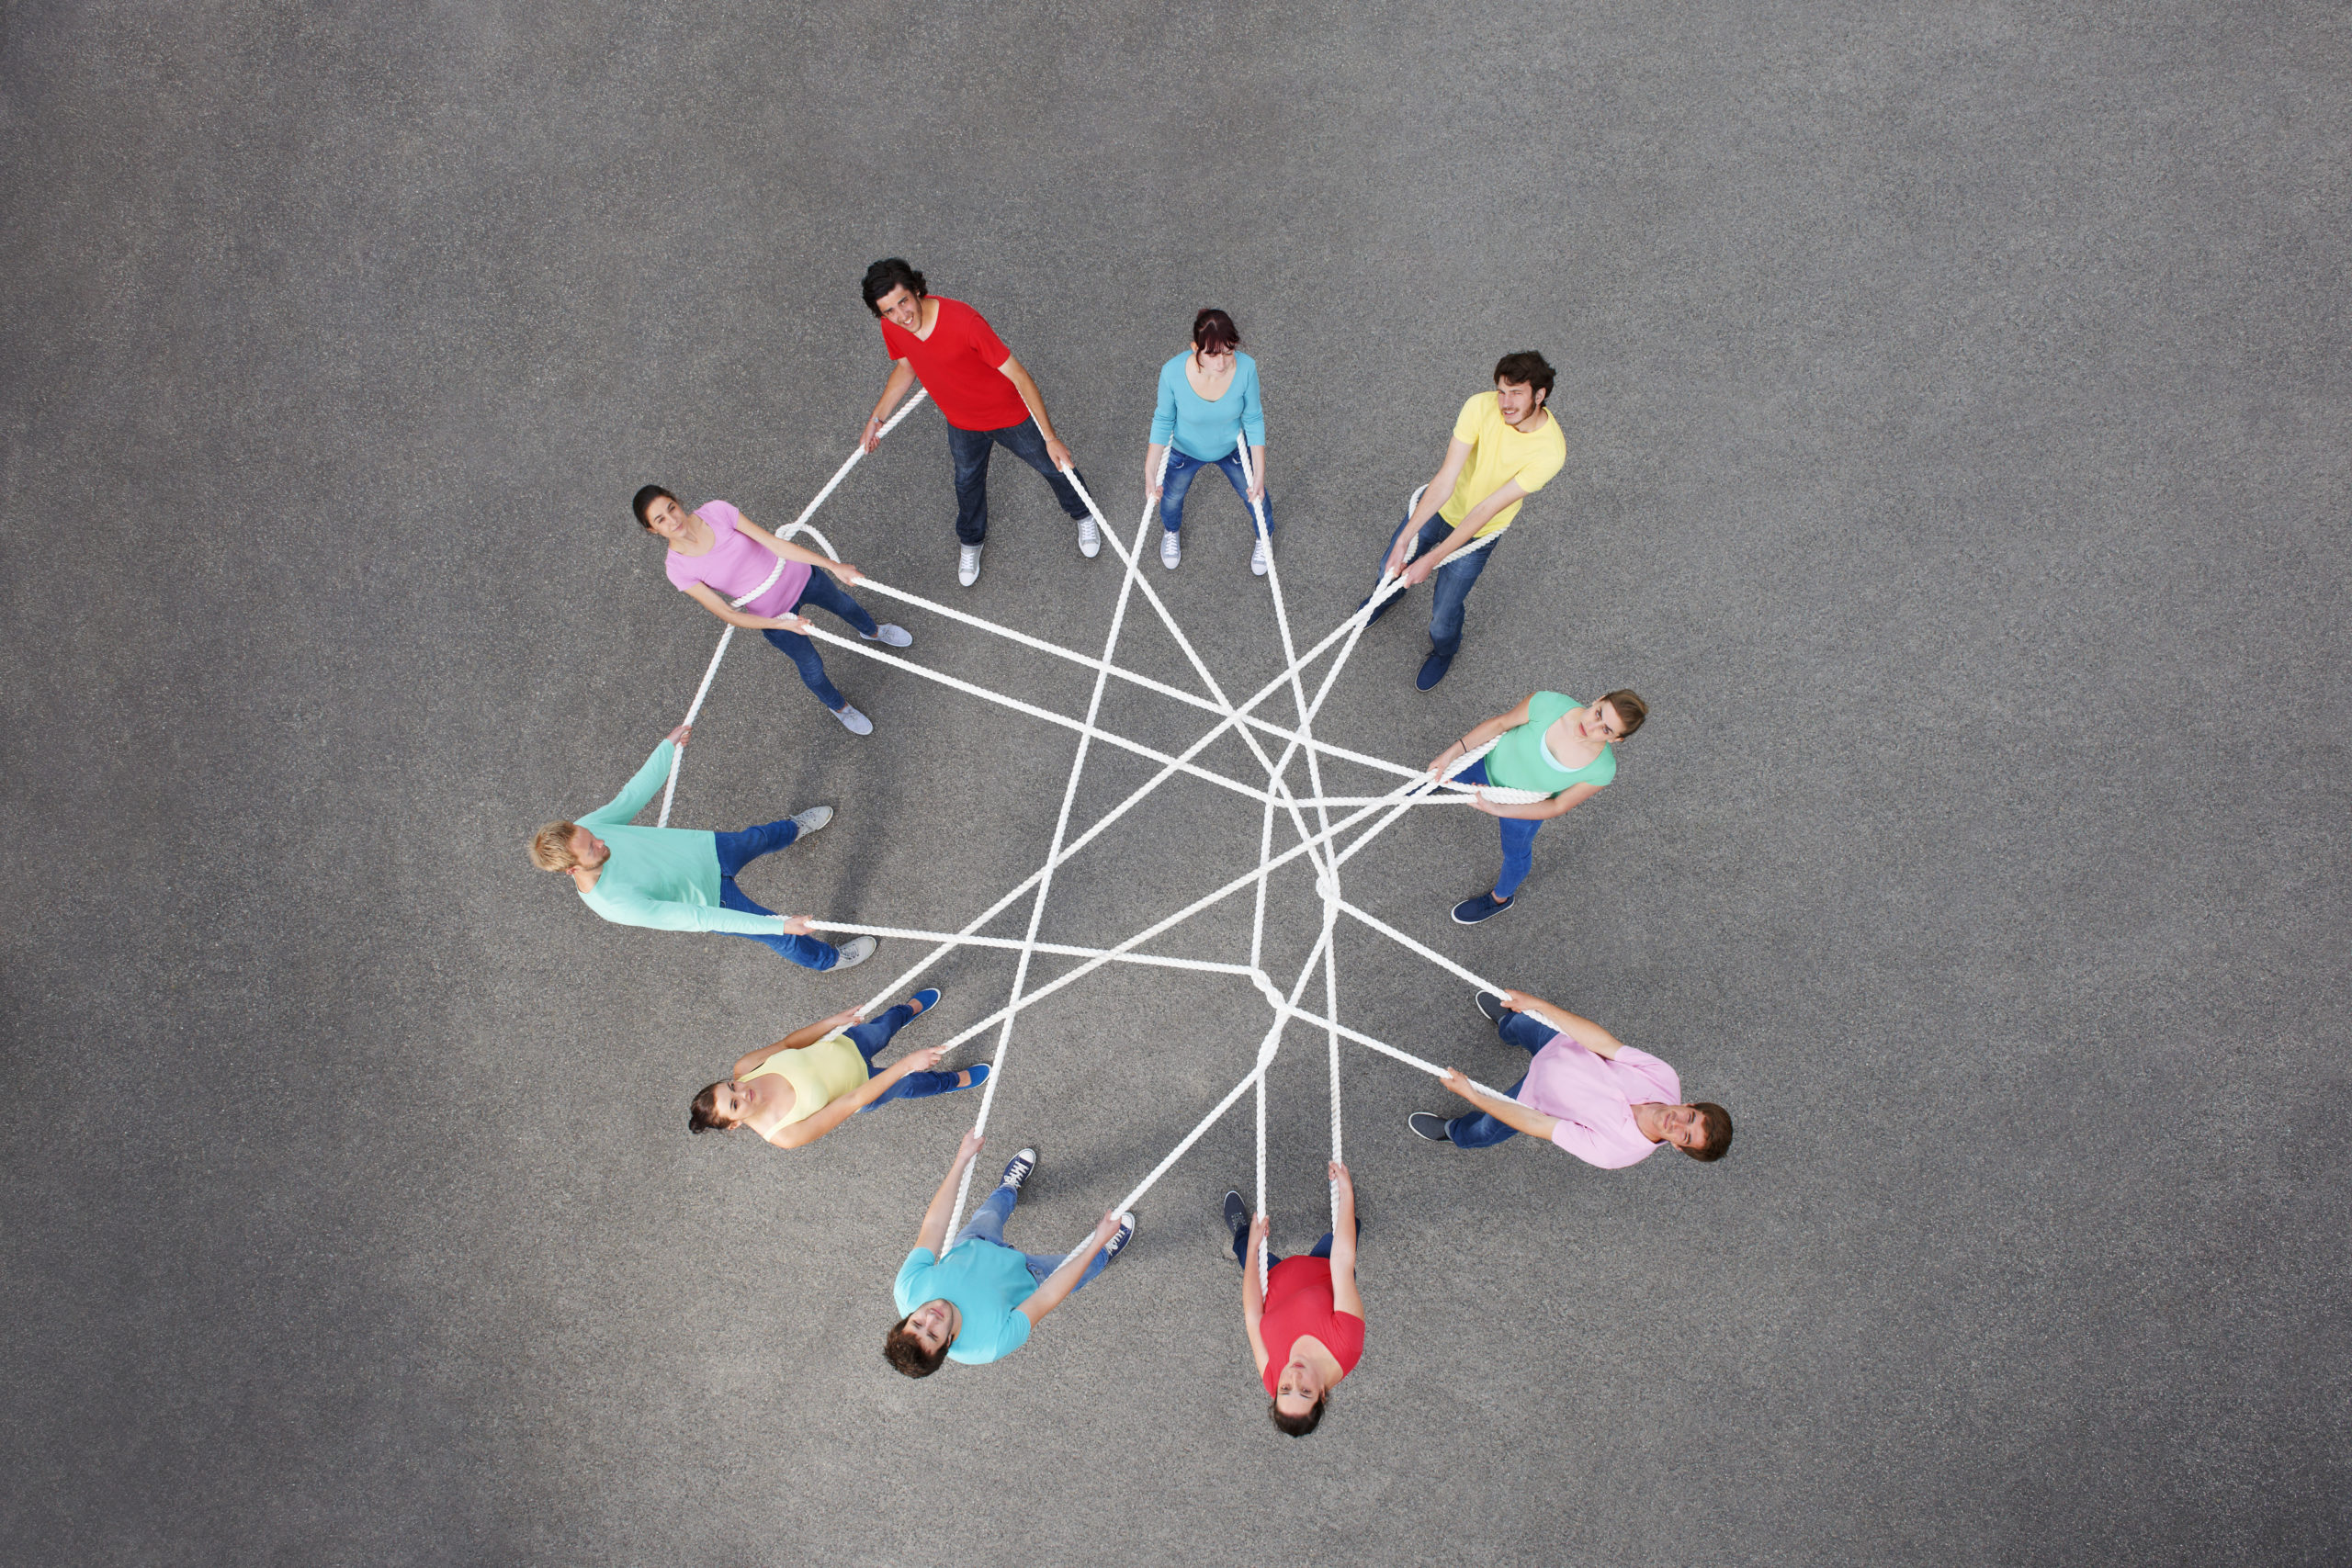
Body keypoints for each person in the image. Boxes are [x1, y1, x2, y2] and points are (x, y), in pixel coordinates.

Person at [526, 725, 876, 972]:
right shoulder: (616, 905)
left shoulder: (589, 830)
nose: (601, 841)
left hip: (705, 849)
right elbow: (700, 918)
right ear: (572, 869)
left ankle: (794, 828)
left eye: (592, 835)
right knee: (778, 934)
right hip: (711, 901)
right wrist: (780, 926)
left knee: (759, 837)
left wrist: (666, 749)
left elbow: (630, 798)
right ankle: (829, 961)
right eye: (591, 849)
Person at [858, 258, 1095, 589]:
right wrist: (876, 418)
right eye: (889, 312)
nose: (901, 316)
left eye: (904, 302)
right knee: (966, 484)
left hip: (1010, 416)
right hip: (962, 424)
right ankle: (971, 540)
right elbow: (905, 367)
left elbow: (1020, 377)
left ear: (916, 290)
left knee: (1054, 466)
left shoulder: (964, 322)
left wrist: (1051, 437)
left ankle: (1083, 514)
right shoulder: (893, 326)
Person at [1362, 351, 1568, 691]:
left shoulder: (1550, 452)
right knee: (1390, 562)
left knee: (1444, 613)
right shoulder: (1479, 406)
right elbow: (1446, 477)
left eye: (1517, 393)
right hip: (1441, 507)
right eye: (1502, 391)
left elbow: (1485, 510)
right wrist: (1405, 539)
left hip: (1479, 532)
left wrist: (1432, 559)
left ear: (1539, 395)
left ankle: (1444, 651)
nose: (1505, 402)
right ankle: (1385, 597)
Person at [635, 485, 912, 737]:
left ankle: (874, 632)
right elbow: (727, 614)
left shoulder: (717, 512)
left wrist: (833, 566)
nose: (672, 520)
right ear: (652, 530)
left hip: (804, 578)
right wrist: (783, 625)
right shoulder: (678, 569)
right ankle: (839, 708)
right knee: (812, 666)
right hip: (774, 617)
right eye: (660, 519)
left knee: (845, 604)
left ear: (677, 501)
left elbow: (775, 544)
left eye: (671, 508)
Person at [884, 1134, 1135, 1375]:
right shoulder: (990, 1344)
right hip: (1031, 1277)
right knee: (1084, 1267)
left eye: (916, 1323)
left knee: (991, 1210)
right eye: (933, 1334)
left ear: (907, 1318)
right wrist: (1097, 1242)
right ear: (947, 1343)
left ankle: (1009, 1188)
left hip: (975, 1243)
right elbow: (1047, 1297)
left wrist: (961, 1159)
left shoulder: (908, 1289)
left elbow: (934, 1226)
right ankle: (1104, 1253)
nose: (930, 1318)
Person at [1408, 988, 1733, 1163]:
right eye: (1690, 1117)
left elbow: (1539, 1125)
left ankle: (1454, 1132)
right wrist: (1539, 1005)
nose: (1677, 1124)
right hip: (1561, 1046)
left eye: (1685, 1136)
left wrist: (1474, 1095)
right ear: (1690, 1104)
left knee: (1486, 1127)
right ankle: (1507, 1025)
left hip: (1533, 1101)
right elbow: (1604, 1043)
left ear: (1677, 1147)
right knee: (1522, 1022)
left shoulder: (1617, 1151)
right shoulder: (1664, 1077)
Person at [1428, 689, 1647, 924]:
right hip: (1485, 767)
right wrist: (1449, 755)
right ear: (1598, 700)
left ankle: (1500, 899)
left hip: (1524, 808)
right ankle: (1429, 786)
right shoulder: (1547, 703)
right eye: (1598, 713)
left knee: (1515, 855)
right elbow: (1501, 723)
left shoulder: (1602, 770)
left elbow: (1558, 805)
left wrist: (1500, 809)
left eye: (1606, 729)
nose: (1592, 726)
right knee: (1437, 776)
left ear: (1616, 739)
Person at [685, 988, 985, 1148]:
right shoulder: (784, 1135)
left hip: (845, 1045)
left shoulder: (746, 1067)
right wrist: (906, 1064)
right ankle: (949, 1081)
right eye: (735, 1104)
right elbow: (851, 1101)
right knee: (907, 1084)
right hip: (860, 1087)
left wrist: (830, 1023)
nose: (742, 1090)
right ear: (735, 1124)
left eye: (731, 1086)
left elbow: (790, 1044)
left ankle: (907, 1010)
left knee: (884, 1026)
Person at [1222, 1162, 1362, 1438]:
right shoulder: (1347, 1345)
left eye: (1285, 1390)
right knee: (1346, 1230)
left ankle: (1240, 1234)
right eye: (1305, 1391)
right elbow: (1342, 1263)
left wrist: (1252, 1247)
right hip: (1324, 1266)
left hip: (1272, 1277)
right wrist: (1347, 1192)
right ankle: (1347, 1213)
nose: (1293, 1378)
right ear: (1321, 1395)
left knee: (1244, 1247)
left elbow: (1253, 1317)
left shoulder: (1273, 1379)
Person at [1144, 308, 1272, 575]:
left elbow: (1253, 419)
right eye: (1212, 354)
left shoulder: (1246, 368)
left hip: (1231, 448)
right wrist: (1149, 472)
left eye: (1228, 352)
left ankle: (1264, 535)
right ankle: (1171, 531)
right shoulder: (1172, 373)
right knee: (1170, 499)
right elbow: (1163, 420)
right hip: (1183, 450)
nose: (1222, 363)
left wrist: (1259, 474)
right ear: (1195, 349)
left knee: (1256, 497)